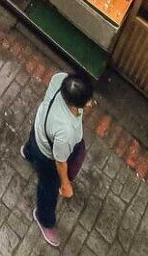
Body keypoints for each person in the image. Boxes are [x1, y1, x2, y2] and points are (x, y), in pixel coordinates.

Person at [22, 71, 93, 247]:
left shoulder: (60, 78)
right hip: (48, 154)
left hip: (40, 127)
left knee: (34, 143)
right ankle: (44, 218)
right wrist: (65, 185)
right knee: (48, 186)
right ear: (75, 105)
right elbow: (60, 162)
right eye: (88, 101)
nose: (91, 102)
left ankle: (27, 152)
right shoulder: (66, 131)